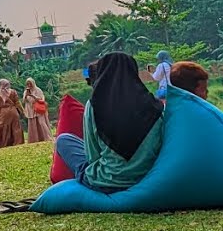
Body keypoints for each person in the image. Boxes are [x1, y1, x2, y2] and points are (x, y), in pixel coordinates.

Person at [53, 52, 164, 193]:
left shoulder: (94, 105)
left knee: (63, 140)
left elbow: (92, 156)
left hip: (106, 181)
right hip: (146, 178)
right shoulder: (154, 106)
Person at [0, 78, 25, 149]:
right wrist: (22, 111)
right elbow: (17, 103)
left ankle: (4, 143)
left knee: (4, 127)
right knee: (16, 126)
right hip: (13, 111)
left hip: (3, 112)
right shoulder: (13, 92)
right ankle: (17, 141)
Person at [22, 78, 52, 143]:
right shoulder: (26, 91)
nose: (29, 85)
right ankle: (35, 139)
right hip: (30, 109)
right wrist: (26, 95)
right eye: (28, 84)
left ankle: (47, 137)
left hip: (38, 108)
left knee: (41, 122)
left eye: (30, 83)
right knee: (33, 124)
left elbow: (42, 99)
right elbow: (23, 101)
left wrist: (34, 96)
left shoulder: (38, 90)